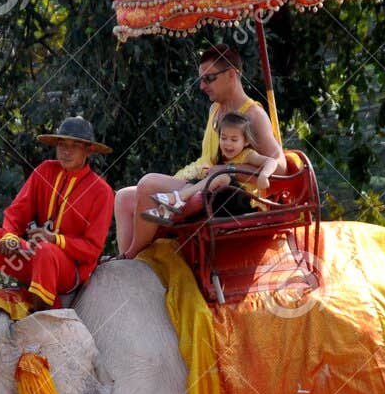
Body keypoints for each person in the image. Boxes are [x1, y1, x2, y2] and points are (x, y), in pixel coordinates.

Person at [113, 43, 282, 257]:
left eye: (209, 78)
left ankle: (132, 256)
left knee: (148, 185)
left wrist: (230, 169)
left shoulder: (254, 115)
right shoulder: (215, 109)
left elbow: (281, 166)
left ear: (231, 74)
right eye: (201, 79)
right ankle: (128, 262)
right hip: (201, 183)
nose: (202, 86)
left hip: (227, 197)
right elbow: (207, 161)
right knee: (124, 198)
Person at [0, 116, 113, 307]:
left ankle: (40, 317)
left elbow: (92, 250)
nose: (65, 151)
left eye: (75, 145)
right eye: (61, 144)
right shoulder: (45, 170)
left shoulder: (101, 191)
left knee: (45, 250)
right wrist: (10, 236)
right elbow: (16, 212)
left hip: (68, 271)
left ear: (89, 150)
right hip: (34, 255)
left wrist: (55, 239)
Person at [142, 110, 278, 224]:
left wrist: (264, 175)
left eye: (234, 139)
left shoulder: (247, 154)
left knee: (222, 176)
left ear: (246, 141)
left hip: (242, 203)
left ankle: (178, 197)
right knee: (192, 184)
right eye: (223, 138)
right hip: (222, 200)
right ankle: (166, 211)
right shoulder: (221, 157)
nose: (228, 144)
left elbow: (271, 161)